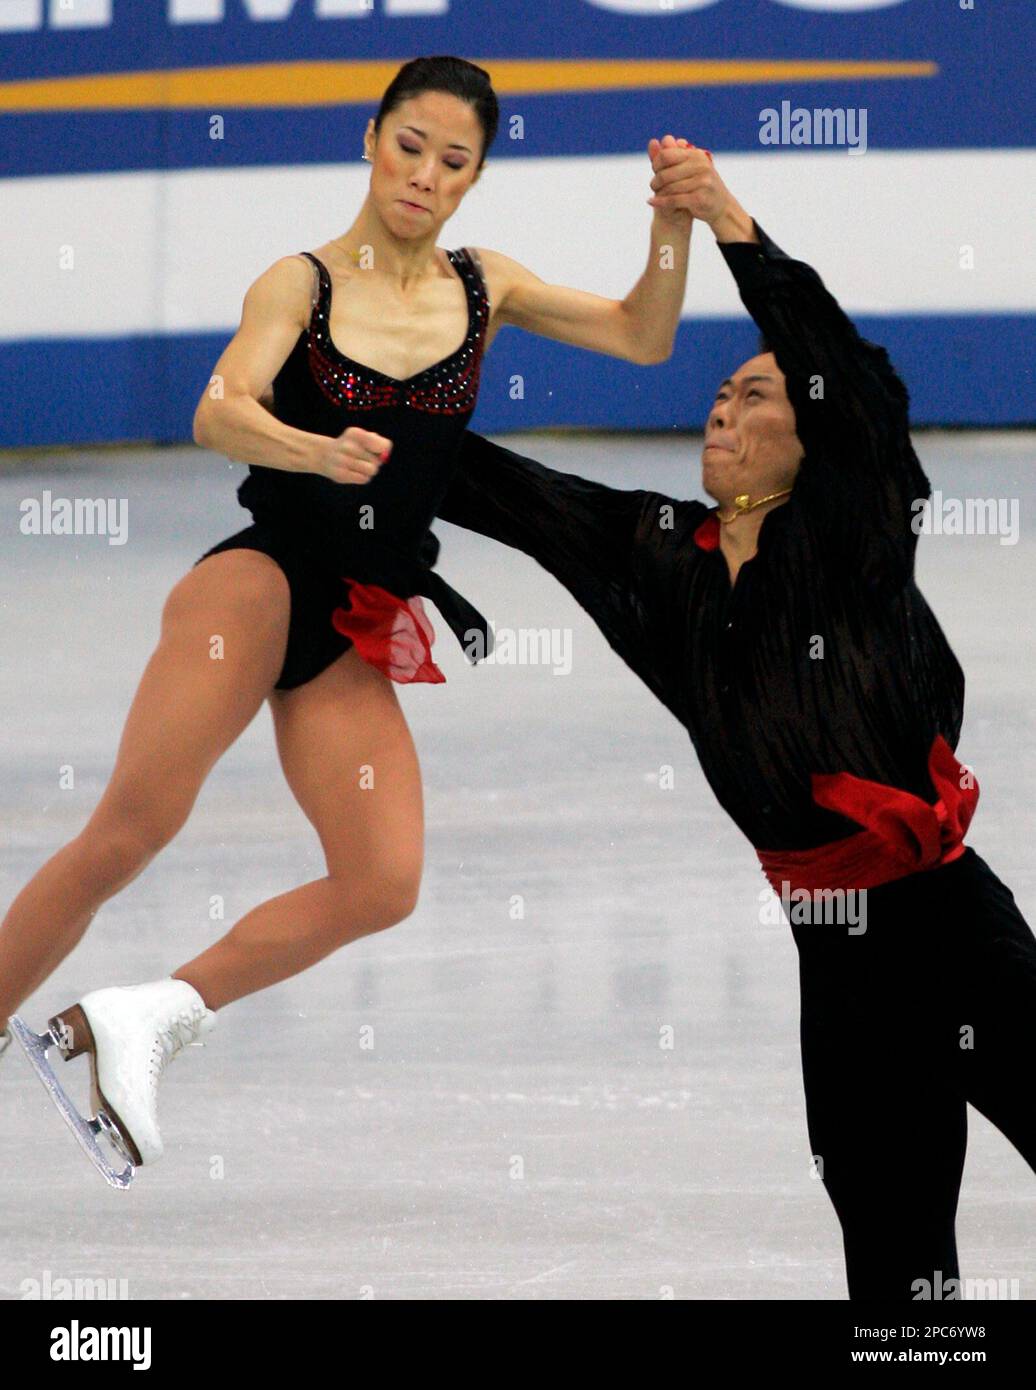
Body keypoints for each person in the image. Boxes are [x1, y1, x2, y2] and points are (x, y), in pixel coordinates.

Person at [0, 56, 706, 1171]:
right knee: (131, 830)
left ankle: (149, 1017)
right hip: (259, 584)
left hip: (351, 622)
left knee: (382, 880)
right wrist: (310, 450)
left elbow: (642, 335)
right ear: (371, 141)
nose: (425, 174)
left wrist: (673, 226)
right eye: (409, 145)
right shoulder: (302, 284)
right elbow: (217, 411)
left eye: (454, 160)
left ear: (476, 180)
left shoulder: (486, 287)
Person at [434, 159, 1036, 1300]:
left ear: (809, 438)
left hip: (951, 923)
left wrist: (727, 225)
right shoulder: (661, 558)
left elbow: (855, 393)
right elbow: (500, 490)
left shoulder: (854, 531)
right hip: (836, 955)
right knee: (895, 1252)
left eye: (759, 396)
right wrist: (335, 404)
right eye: (719, 395)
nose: (726, 406)